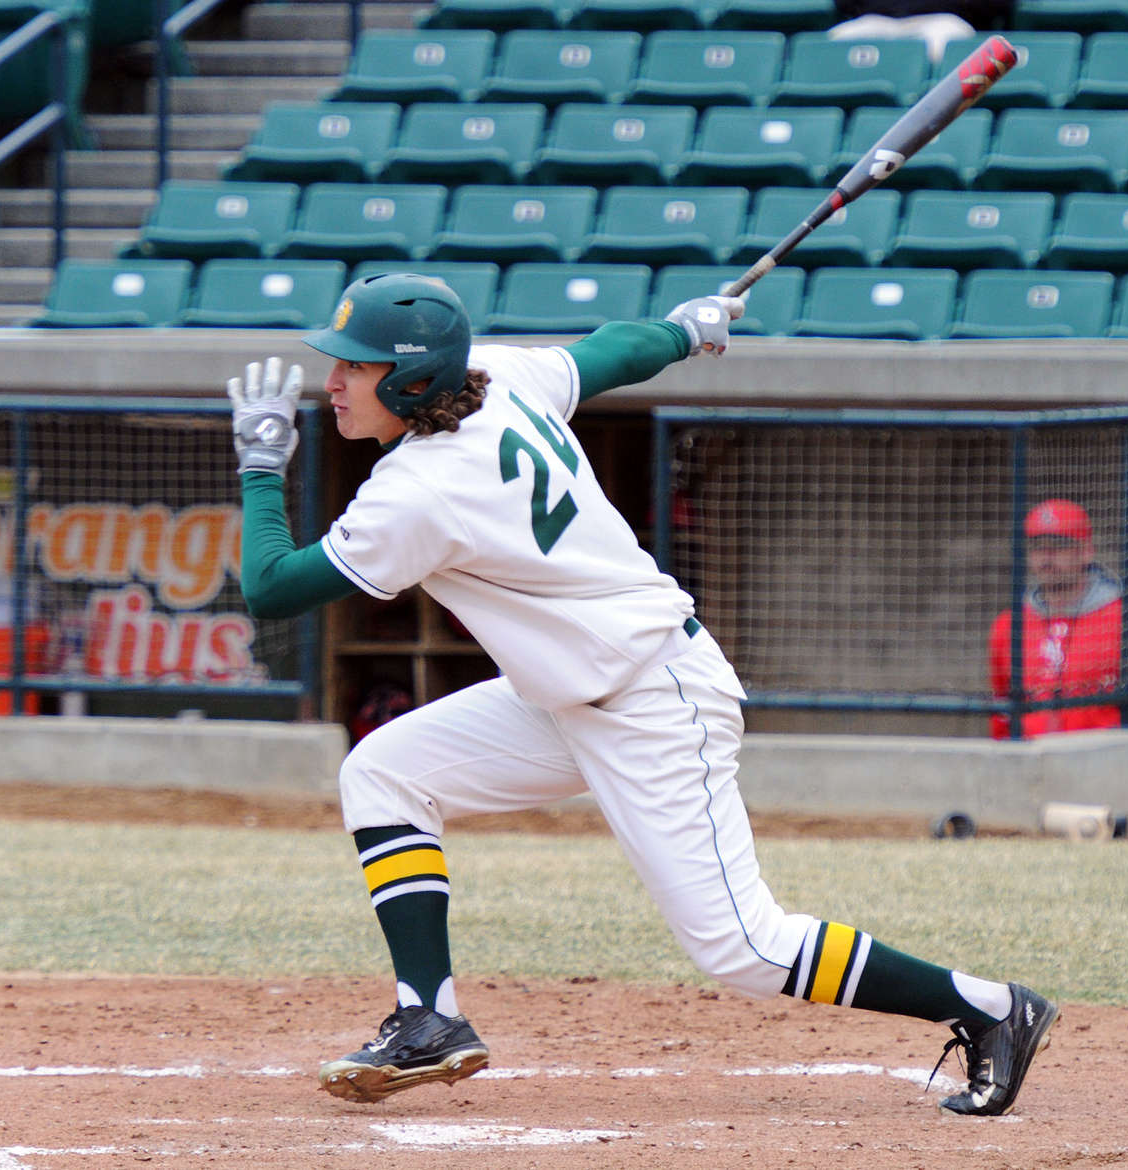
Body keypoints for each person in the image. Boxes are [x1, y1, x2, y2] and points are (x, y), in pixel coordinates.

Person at [232, 273, 1058, 1116]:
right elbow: (606, 354)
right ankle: (429, 1019)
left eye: (356, 367)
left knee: (743, 948)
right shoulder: (496, 375)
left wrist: (262, 468)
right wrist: (682, 331)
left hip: (652, 696)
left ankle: (993, 1006)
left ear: (412, 382)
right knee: (385, 773)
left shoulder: (420, 489)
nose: (331, 381)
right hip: (569, 695)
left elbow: (269, 589)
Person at [989, 499, 1128, 740]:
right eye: (1038, 547)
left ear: (1086, 551)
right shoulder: (1008, 626)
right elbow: (1002, 715)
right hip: (1034, 769)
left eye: (1059, 545)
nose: (1047, 557)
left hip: (1108, 767)